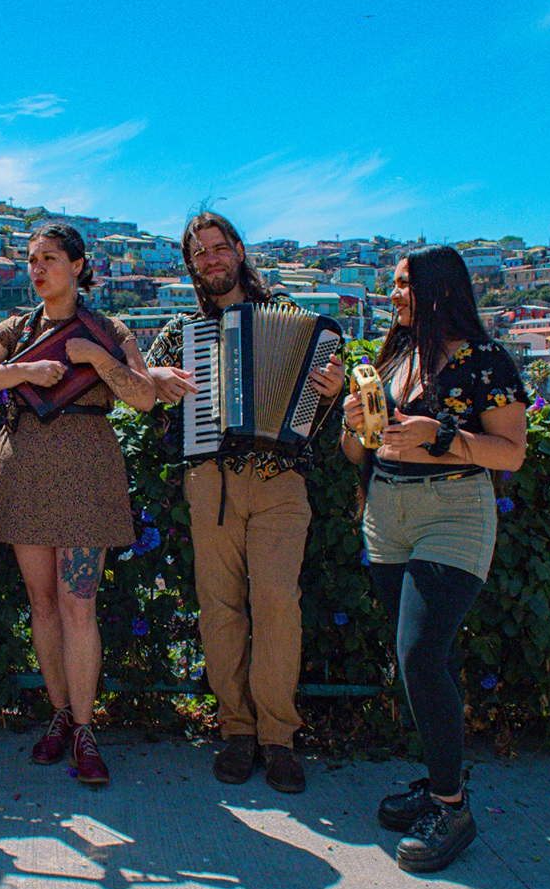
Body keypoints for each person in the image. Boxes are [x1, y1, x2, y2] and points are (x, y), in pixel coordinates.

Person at [340, 245, 527, 873]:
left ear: (439, 290)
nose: (392, 294)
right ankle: (438, 778)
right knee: (412, 658)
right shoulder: (394, 356)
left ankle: (452, 807)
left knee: (422, 654)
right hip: (387, 513)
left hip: (454, 514)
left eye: (402, 284)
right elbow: (359, 451)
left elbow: (509, 454)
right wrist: (351, 426)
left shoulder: (486, 361)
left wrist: (440, 436)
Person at [0, 223, 155, 785]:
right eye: (32, 259)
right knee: (41, 602)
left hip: (87, 473)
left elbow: (142, 398)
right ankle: (60, 717)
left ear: (80, 266)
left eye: (50, 259)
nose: (38, 269)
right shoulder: (15, 328)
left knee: (77, 604)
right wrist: (24, 370)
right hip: (26, 472)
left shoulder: (110, 328)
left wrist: (98, 358)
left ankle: (86, 732)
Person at [146, 211, 345, 793]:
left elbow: (324, 409)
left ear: (237, 249)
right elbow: (148, 391)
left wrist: (331, 391)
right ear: (191, 267)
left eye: (217, 247)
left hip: (281, 477)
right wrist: (160, 380)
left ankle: (279, 737)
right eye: (198, 253)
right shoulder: (181, 332)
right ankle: (237, 729)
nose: (210, 259)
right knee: (220, 607)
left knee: (279, 601)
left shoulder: (292, 318)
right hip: (211, 478)